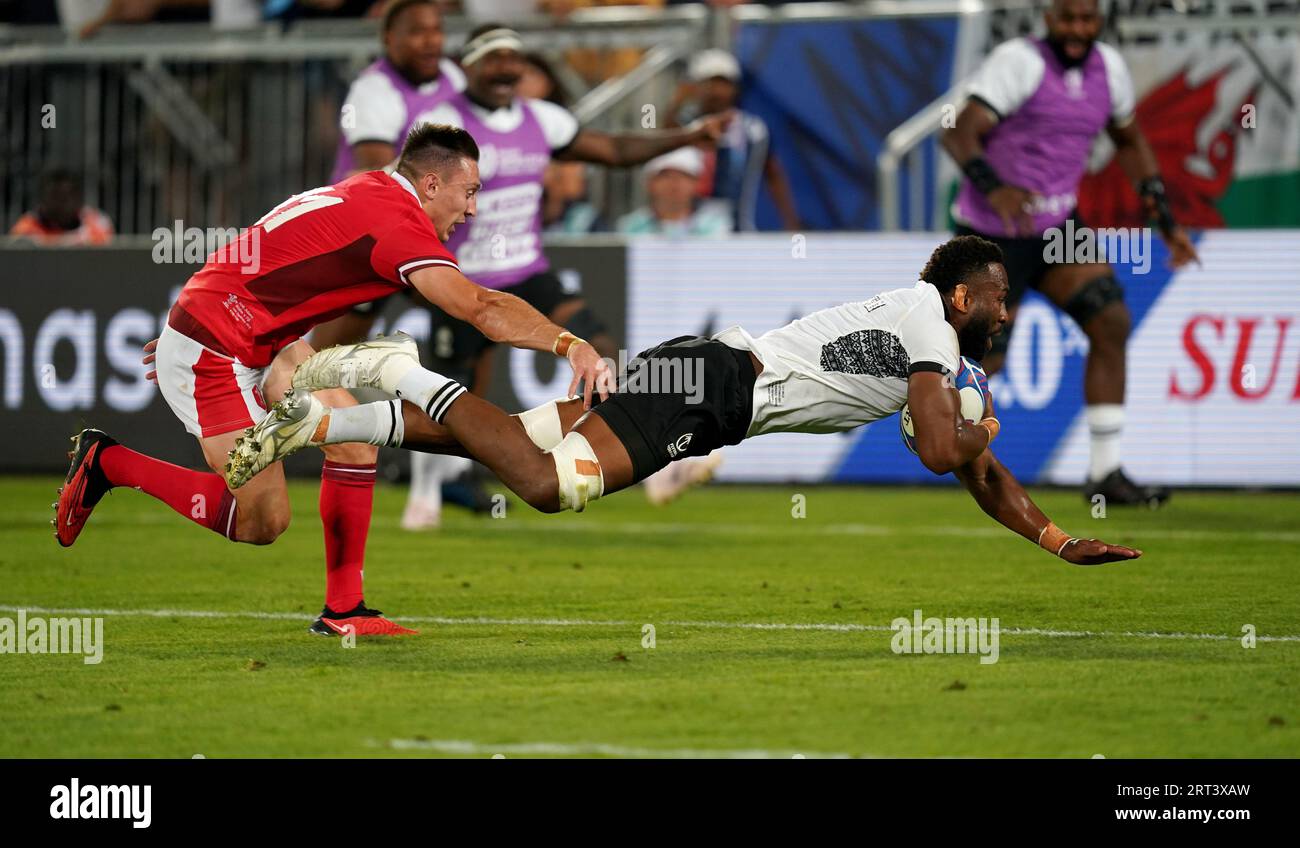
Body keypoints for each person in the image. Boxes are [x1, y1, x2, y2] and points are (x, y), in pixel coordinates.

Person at [229, 236, 1143, 568]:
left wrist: (1057, 541)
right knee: (549, 486)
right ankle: (398, 368)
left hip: (708, 372)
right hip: (714, 390)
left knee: (516, 440)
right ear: (959, 298)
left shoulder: (938, 347)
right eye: (998, 294)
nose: (1006, 307)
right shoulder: (932, 339)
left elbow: (974, 469)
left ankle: (327, 420)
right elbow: (946, 452)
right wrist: (980, 421)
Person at [53, 124, 611, 638]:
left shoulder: (372, 189)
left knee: (354, 442)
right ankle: (108, 463)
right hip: (216, 350)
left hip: (255, 338)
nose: (472, 208)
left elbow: (274, 246)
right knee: (263, 520)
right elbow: (482, 308)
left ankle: (344, 611)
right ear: (432, 182)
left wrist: (201, 309)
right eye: (468, 192)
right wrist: (571, 343)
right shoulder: (395, 221)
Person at [334, 23, 730, 528]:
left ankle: (641, 460)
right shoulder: (442, 125)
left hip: (528, 270)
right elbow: (400, 188)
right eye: (492, 57)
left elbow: (615, 151)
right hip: (467, 280)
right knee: (455, 395)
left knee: (600, 346)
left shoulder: (543, 120)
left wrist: (691, 135)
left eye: (513, 58)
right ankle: (425, 495)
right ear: (469, 66)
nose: (504, 67)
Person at [940, 0, 1199, 507]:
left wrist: (1164, 218)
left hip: (1058, 227)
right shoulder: (1020, 62)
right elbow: (958, 131)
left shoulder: (1111, 69)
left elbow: (1128, 140)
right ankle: (919, 432)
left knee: (1111, 320)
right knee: (981, 358)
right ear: (1048, 18)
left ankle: (1105, 473)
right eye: (1068, 18)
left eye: (1087, 18)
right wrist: (995, 188)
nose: (1078, 29)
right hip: (992, 232)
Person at [669, 48, 800, 232]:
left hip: (739, 230)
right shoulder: (683, 125)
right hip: (689, 232)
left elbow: (774, 174)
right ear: (695, 87)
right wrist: (678, 100)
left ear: (735, 88)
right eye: (709, 83)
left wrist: (791, 222)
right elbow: (654, 137)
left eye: (723, 83)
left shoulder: (754, 129)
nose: (716, 91)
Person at [616, 148, 733, 236]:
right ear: (649, 183)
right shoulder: (629, 227)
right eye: (665, 175)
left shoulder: (716, 228)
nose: (674, 183)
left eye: (683, 176)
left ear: (696, 183)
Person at [10, 168, 114, 246]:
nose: (62, 202)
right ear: (42, 198)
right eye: (55, 195)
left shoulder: (97, 222)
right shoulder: (26, 227)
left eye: (67, 196)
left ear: (78, 198)